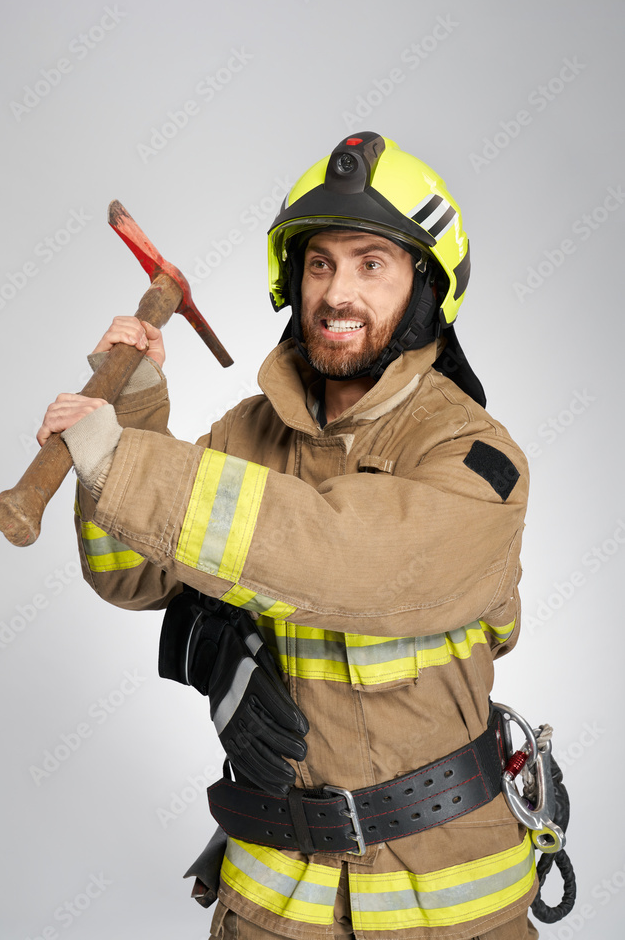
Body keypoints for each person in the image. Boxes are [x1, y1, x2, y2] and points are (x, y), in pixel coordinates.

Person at [38, 132, 538, 939]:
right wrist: (134, 410)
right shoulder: (249, 432)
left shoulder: (473, 454)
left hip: (449, 904)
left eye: (371, 264)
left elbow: (358, 562)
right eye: (319, 264)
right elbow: (129, 572)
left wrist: (124, 462)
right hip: (271, 901)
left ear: (424, 288)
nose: (337, 293)